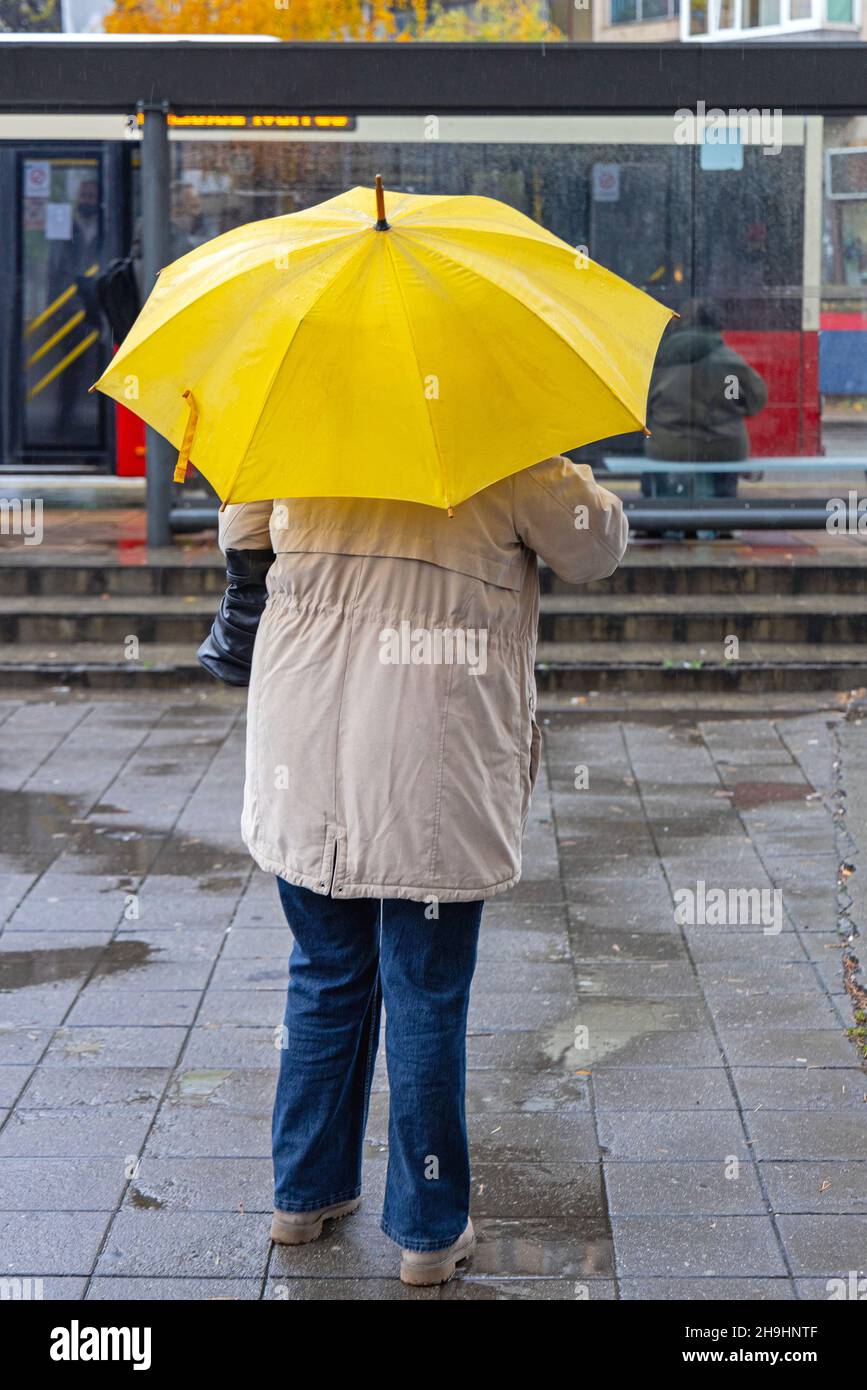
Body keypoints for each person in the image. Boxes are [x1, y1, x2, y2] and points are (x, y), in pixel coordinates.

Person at [198, 458, 627, 1285]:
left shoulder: (307, 421)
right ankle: (427, 1234)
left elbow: (241, 530)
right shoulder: (505, 445)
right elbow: (593, 548)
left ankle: (302, 1196)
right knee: (424, 992)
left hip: (308, 736)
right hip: (434, 755)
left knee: (324, 973)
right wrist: (575, 469)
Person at [643, 299, 767, 504]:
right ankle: (725, 516)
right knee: (725, 473)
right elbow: (756, 400)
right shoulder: (730, 361)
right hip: (723, 446)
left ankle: (655, 515)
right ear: (716, 325)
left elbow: (644, 406)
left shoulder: (660, 361)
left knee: (655, 458)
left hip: (668, 447)